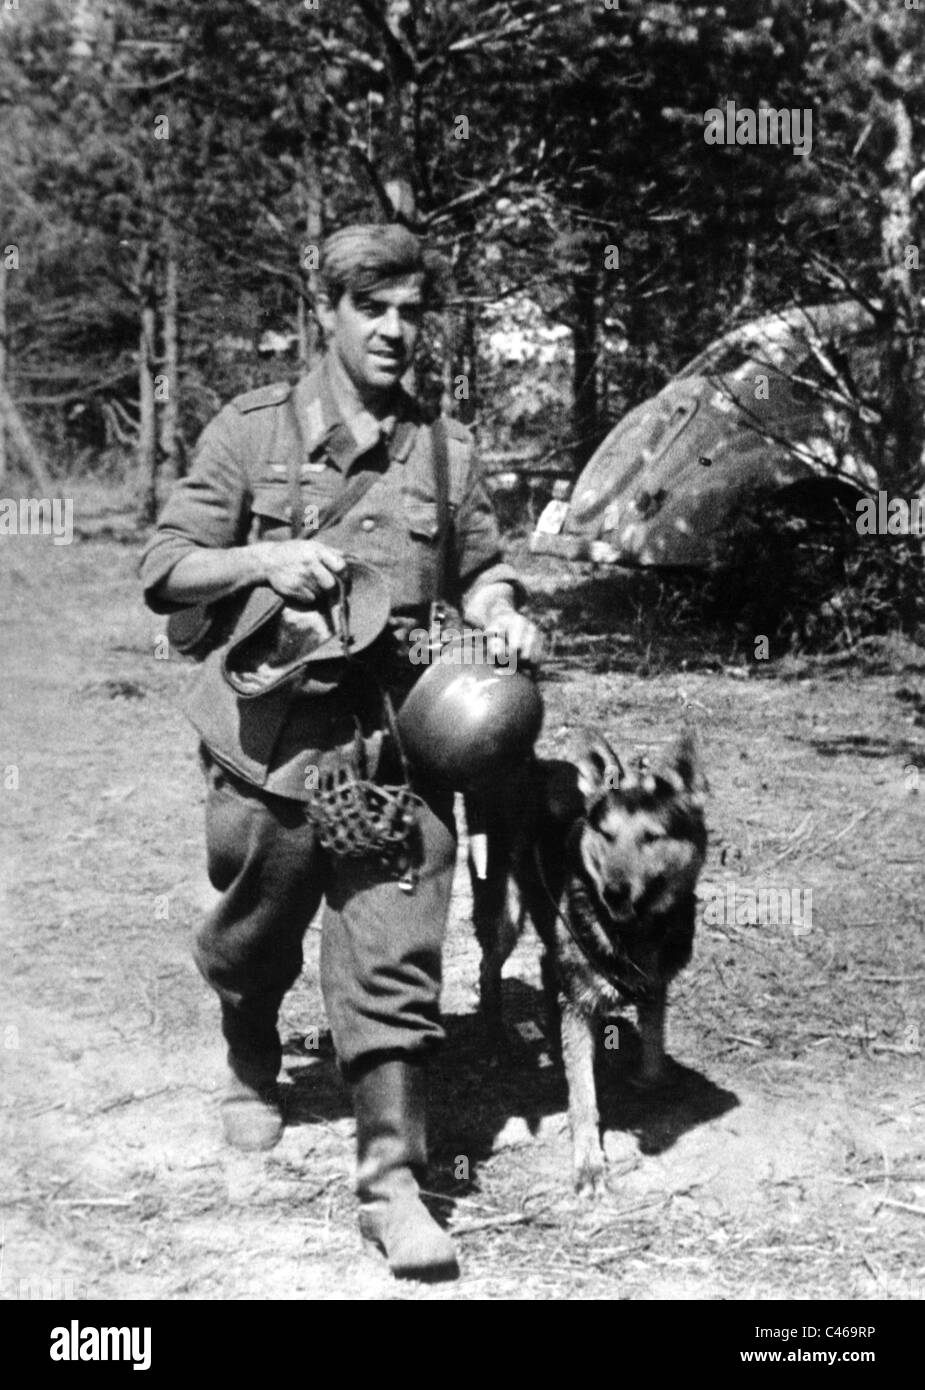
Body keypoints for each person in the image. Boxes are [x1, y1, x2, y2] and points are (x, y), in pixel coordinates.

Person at [139, 223, 542, 1281]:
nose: (396, 331)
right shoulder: (251, 433)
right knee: (252, 932)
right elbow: (165, 567)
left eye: (413, 312)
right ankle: (249, 1047)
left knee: (395, 954)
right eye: (374, 309)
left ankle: (393, 1184)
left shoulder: (448, 454)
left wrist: (502, 614)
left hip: (393, 745)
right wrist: (264, 554)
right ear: (327, 311)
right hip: (268, 745)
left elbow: (483, 572)